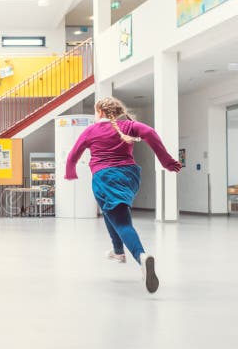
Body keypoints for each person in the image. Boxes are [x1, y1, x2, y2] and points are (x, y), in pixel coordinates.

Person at [65, 97, 182, 293]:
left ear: (100, 112)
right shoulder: (128, 126)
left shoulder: (91, 131)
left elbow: (73, 154)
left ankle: (141, 257)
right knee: (110, 211)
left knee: (121, 222)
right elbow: (150, 133)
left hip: (105, 178)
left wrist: (70, 172)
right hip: (129, 176)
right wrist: (166, 161)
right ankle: (118, 251)